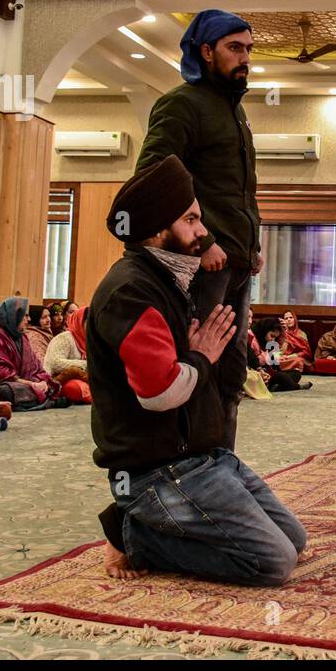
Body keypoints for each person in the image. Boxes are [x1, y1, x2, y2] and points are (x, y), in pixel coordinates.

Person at [90, 154, 307, 585]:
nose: (202, 230)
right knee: (272, 563)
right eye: (190, 220)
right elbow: (162, 393)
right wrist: (200, 357)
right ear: (157, 230)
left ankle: (158, 524)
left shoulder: (169, 278)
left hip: (204, 458)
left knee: (294, 540)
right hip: (157, 470)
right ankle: (133, 532)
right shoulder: (132, 292)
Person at [134, 8, 261, 451]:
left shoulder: (235, 112)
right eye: (234, 48)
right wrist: (202, 241)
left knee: (231, 375)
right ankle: (193, 468)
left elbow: (238, 192)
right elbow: (154, 177)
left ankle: (221, 463)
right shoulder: (180, 105)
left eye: (248, 49)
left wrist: (253, 244)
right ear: (206, 51)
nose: (244, 58)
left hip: (237, 264)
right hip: (202, 267)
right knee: (198, 370)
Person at [0, 296, 64, 410]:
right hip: (6, 384)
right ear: (14, 315)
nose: (29, 319)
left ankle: (37, 398)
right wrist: (31, 384)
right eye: (25, 315)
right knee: (6, 391)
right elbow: (0, 374)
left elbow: (36, 366)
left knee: (50, 384)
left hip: (24, 382)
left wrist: (42, 381)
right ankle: (46, 401)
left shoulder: (22, 337)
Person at [44, 305, 92, 404]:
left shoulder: (89, 340)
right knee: (76, 388)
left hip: (82, 378)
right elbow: (55, 363)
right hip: (58, 380)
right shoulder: (65, 338)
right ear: (80, 321)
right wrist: (84, 364)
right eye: (89, 323)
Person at [250, 316, 310, 393]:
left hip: (270, 373)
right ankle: (295, 387)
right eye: (272, 336)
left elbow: (275, 366)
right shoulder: (253, 341)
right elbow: (255, 363)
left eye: (275, 337)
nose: (272, 339)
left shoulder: (272, 344)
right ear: (264, 331)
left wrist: (283, 333)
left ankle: (275, 387)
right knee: (280, 376)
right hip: (259, 373)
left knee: (296, 374)